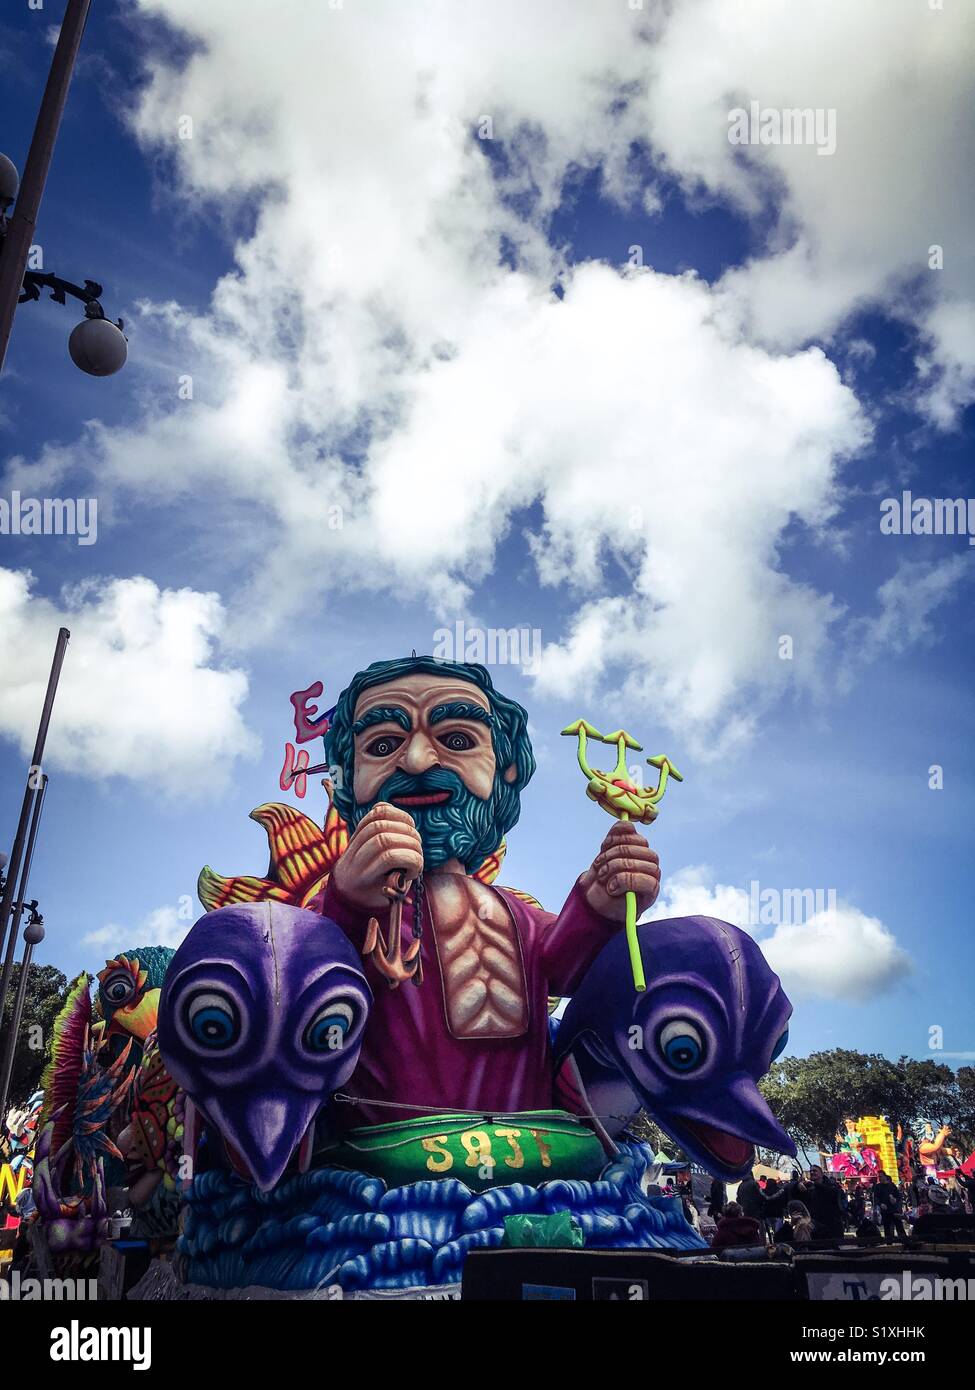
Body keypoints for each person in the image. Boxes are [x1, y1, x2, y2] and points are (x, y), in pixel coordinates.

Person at [798, 1165, 845, 1240]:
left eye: (815, 1171)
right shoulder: (809, 1189)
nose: (812, 1172)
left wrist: (815, 1185)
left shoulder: (831, 1185)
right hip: (816, 1229)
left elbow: (832, 1193)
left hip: (831, 1228)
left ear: (821, 1174)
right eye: (811, 1171)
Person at [873, 1169, 907, 1242]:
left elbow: (898, 1196)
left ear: (885, 1176)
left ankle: (905, 1241)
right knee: (887, 1228)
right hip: (885, 1211)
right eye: (879, 1177)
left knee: (899, 1226)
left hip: (894, 1209)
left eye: (881, 1176)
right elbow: (875, 1198)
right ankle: (889, 1243)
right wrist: (880, 1204)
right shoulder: (878, 1187)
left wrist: (895, 1200)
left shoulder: (891, 1185)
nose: (880, 1178)